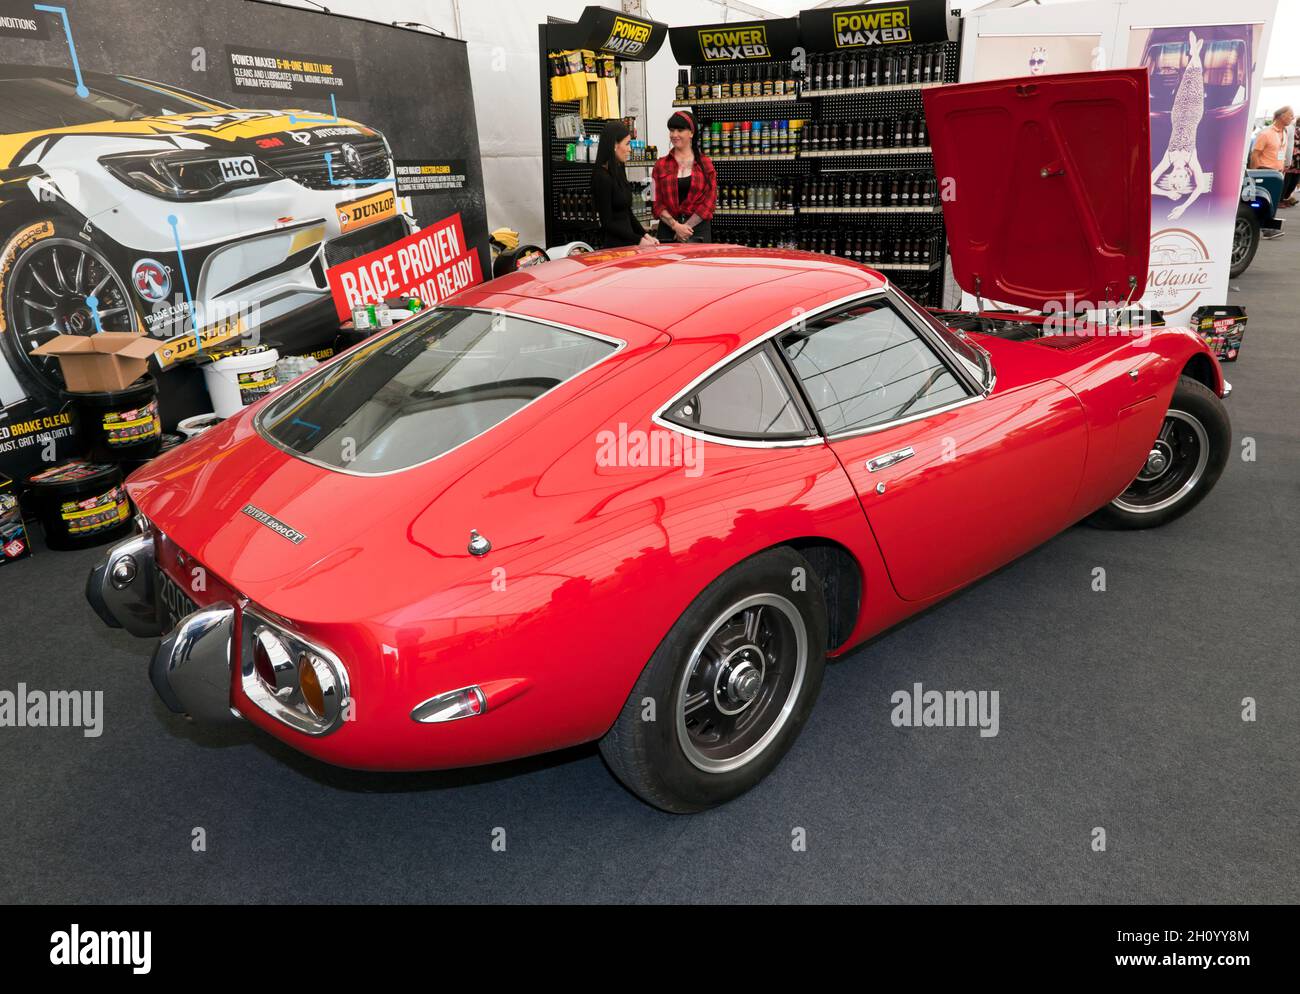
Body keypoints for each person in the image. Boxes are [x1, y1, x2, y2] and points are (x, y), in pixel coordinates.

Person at [651, 110, 716, 243]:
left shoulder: (706, 164)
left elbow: (710, 202)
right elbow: (655, 202)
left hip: (697, 231)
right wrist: (675, 226)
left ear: (691, 133)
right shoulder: (660, 165)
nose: (674, 135)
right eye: (672, 130)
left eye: (680, 130)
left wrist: (685, 228)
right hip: (668, 230)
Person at [591, 121, 656, 249]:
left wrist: (645, 235)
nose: (630, 149)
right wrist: (638, 240)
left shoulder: (619, 170)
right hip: (614, 248)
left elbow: (627, 213)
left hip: (628, 244)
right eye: (627, 144)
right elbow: (607, 223)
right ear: (614, 145)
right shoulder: (601, 177)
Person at [1250, 106, 1293, 237]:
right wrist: (1255, 172)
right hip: (1265, 171)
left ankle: (1268, 228)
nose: (1292, 118)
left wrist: (1284, 165)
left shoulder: (1284, 133)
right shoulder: (1265, 133)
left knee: (1273, 201)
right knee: (1261, 202)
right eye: (1290, 115)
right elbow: (1255, 154)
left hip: (1278, 173)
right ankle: (1262, 228)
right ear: (1281, 116)